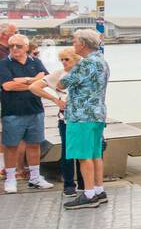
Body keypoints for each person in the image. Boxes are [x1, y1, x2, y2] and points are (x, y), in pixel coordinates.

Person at [56, 29, 109, 209]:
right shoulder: (102, 61)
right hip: (97, 113)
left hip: (81, 115)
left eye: (75, 41)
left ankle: (88, 194)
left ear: (83, 44)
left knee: (82, 155)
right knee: (95, 154)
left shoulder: (85, 64)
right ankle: (99, 190)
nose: (73, 44)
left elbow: (61, 84)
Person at [0, 34, 53, 193]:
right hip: (12, 112)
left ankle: (35, 177)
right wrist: (32, 81)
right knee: (11, 146)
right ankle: (10, 179)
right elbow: (8, 86)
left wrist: (22, 80)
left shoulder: (36, 62)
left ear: (26, 47)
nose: (15, 49)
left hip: (35, 111)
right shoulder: (3, 64)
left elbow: (45, 81)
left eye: (18, 46)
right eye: (11, 46)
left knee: (34, 144)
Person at [30, 46, 80, 197]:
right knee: (68, 151)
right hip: (66, 118)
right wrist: (54, 99)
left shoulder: (83, 72)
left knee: (85, 152)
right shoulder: (59, 74)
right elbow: (34, 86)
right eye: (62, 60)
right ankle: (69, 184)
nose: (64, 62)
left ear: (76, 59)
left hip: (84, 117)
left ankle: (86, 183)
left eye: (67, 59)